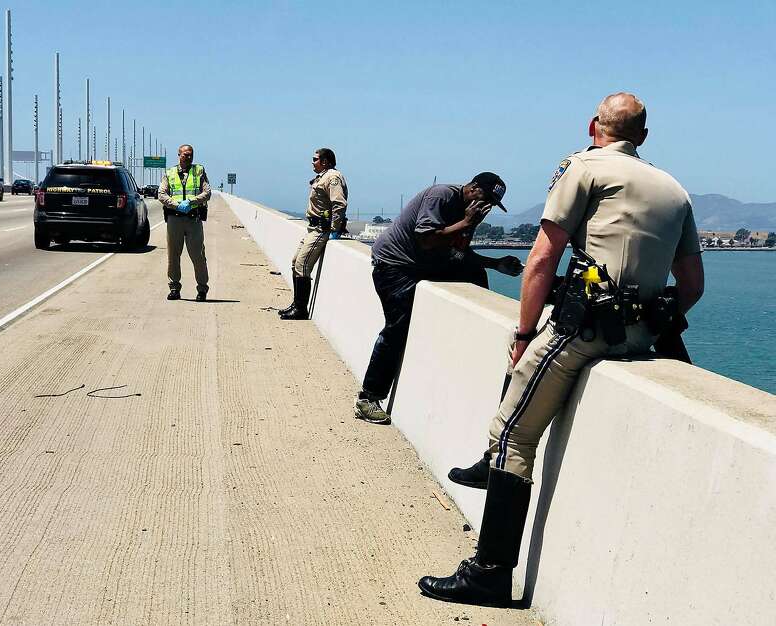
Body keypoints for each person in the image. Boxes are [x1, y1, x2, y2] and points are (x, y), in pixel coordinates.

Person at [418, 93, 705, 607]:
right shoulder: (675, 189)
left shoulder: (583, 168)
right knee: (516, 416)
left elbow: (542, 258)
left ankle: (488, 573)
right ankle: (489, 479)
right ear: (642, 136)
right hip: (639, 338)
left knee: (511, 434)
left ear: (593, 126)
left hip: (582, 332)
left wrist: (524, 333)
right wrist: (641, 323)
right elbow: (692, 285)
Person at [354, 174, 524, 425]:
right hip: (394, 265)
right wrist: (466, 222)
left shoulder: (469, 214)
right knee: (397, 327)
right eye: (485, 198)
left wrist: (495, 264)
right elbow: (425, 238)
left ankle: (477, 342)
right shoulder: (441, 196)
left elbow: (459, 253)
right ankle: (368, 397)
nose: (486, 206)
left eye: (491, 204)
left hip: (421, 265)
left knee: (475, 273)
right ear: (472, 188)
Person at [278, 148, 348, 320]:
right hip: (312, 228)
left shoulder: (333, 178)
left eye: (315, 159)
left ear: (325, 161)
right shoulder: (322, 177)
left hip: (321, 230)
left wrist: (334, 229)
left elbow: (339, 204)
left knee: (302, 265)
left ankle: (301, 309)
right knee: (295, 263)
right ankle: (296, 304)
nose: (312, 162)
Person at [159, 144, 212, 302]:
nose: (188, 157)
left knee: (198, 255)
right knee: (173, 255)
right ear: (179, 155)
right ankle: (174, 288)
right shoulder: (170, 173)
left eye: (190, 154)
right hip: (174, 218)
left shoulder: (199, 171)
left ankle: (202, 289)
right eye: (185, 154)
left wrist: (191, 201)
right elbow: (161, 194)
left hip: (193, 218)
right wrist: (176, 205)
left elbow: (207, 192)